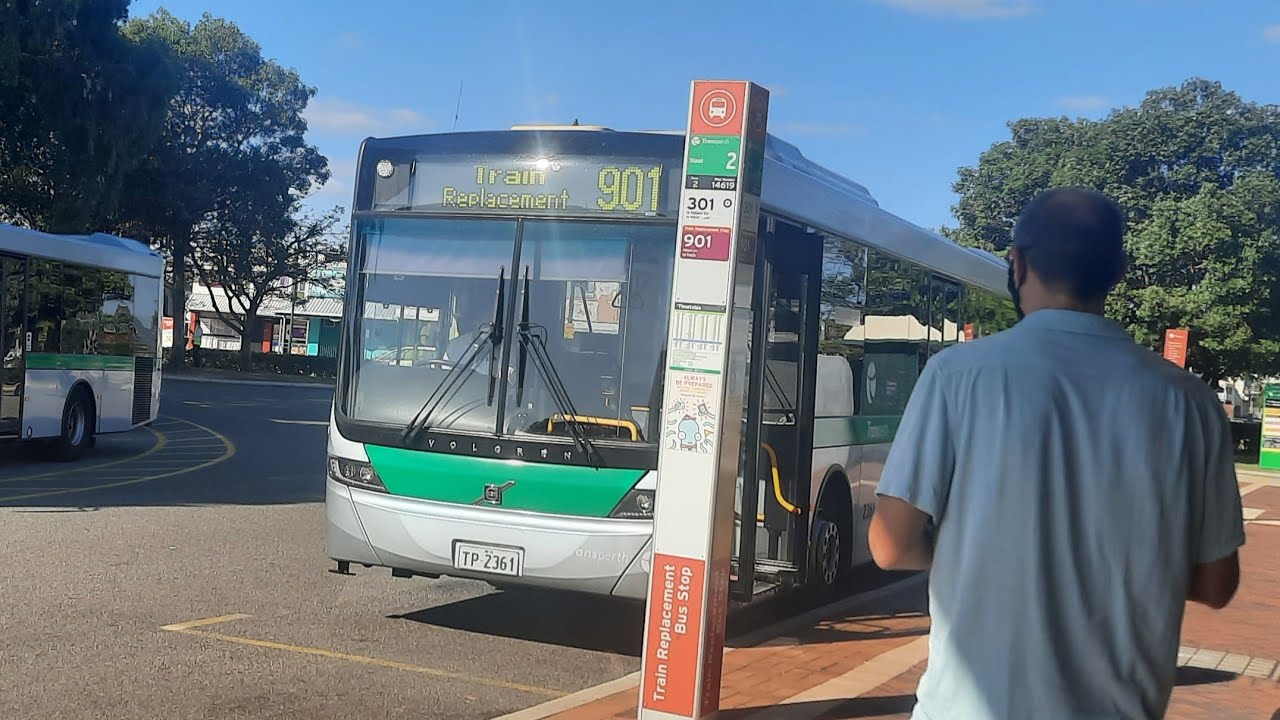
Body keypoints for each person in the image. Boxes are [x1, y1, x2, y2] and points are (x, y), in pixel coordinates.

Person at [868, 187, 1245, 719]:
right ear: (1118, 271)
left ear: (1017, 264)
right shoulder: (1191, 402)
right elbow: (1216, 583)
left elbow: (890, 545)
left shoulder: (956, 375)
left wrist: (983, 552)